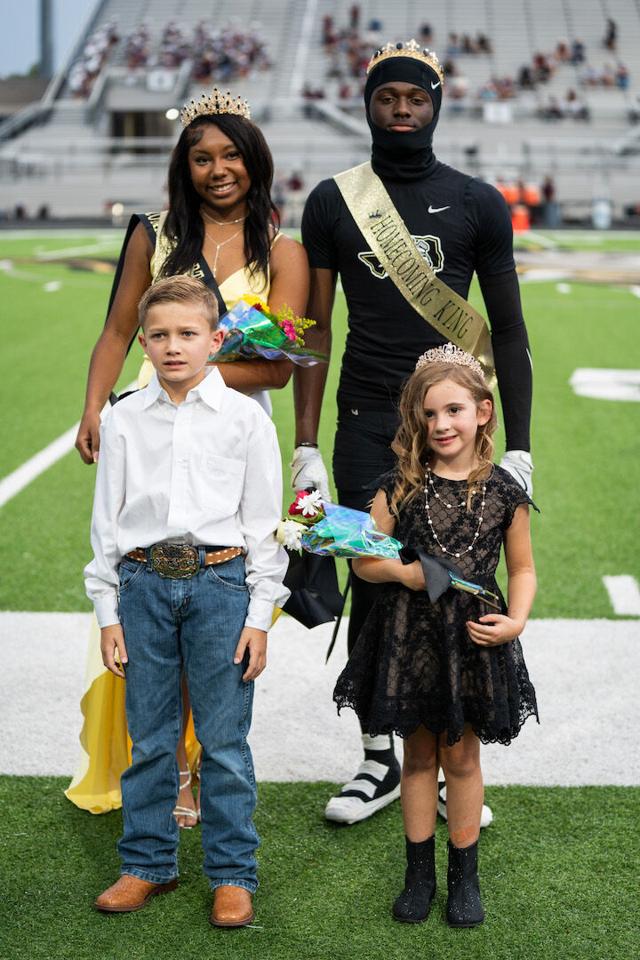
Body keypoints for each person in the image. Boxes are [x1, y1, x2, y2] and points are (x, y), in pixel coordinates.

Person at [293, 40, 533, 825]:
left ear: (436, 105)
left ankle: (451, 752)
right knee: (373, 580)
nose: (402, 110)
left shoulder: (477, 201)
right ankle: (379, 762)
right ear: (368, 104)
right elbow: (316, 331)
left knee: (454, 582)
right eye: (388, 97)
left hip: (451, 427)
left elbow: (509, 335)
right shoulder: (333, 200)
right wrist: (303, 440)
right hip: (366, 424)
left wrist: (520, 445)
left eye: (416, 99)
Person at [68, 88, 308, 825]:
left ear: (254, 159)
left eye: (231, 153)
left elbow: (278, 365)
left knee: (219, 608)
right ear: (185, 166)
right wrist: (94, 405)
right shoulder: (156, 232)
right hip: (149, 425)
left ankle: (209, 764)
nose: (218, 169)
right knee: (148, 591)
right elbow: (118, 329)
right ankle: (168, 769)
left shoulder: (286, 251)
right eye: (201, 157)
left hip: (229, 434)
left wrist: (188, 371)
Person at [86, 275, 288, 924]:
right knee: (150, 736)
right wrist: (108, 612)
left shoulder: (245, 420)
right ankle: (147, 864)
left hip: (221, 587)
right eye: (161, 335)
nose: (174, 347)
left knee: (225, 741)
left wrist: (260, 617)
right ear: (144, 342)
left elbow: (263, 527)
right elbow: (106, 524)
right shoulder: (121, 418)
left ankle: (233, 873)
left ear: (216, 340)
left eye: (188, 334)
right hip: (143, 587)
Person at [333, 345, 538, 926]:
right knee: (419, 756)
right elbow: (364, 562)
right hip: (410, 639)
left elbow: (521, 570)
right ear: (417, 420)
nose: (442, 424)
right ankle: (418, 873)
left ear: (482, 413)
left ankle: (464, 876)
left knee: (464, 760)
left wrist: (517, 620)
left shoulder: (504, 493)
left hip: (473, 640)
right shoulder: (399, 484)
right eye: (430, 414)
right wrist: (405, 571)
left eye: (454, 410)